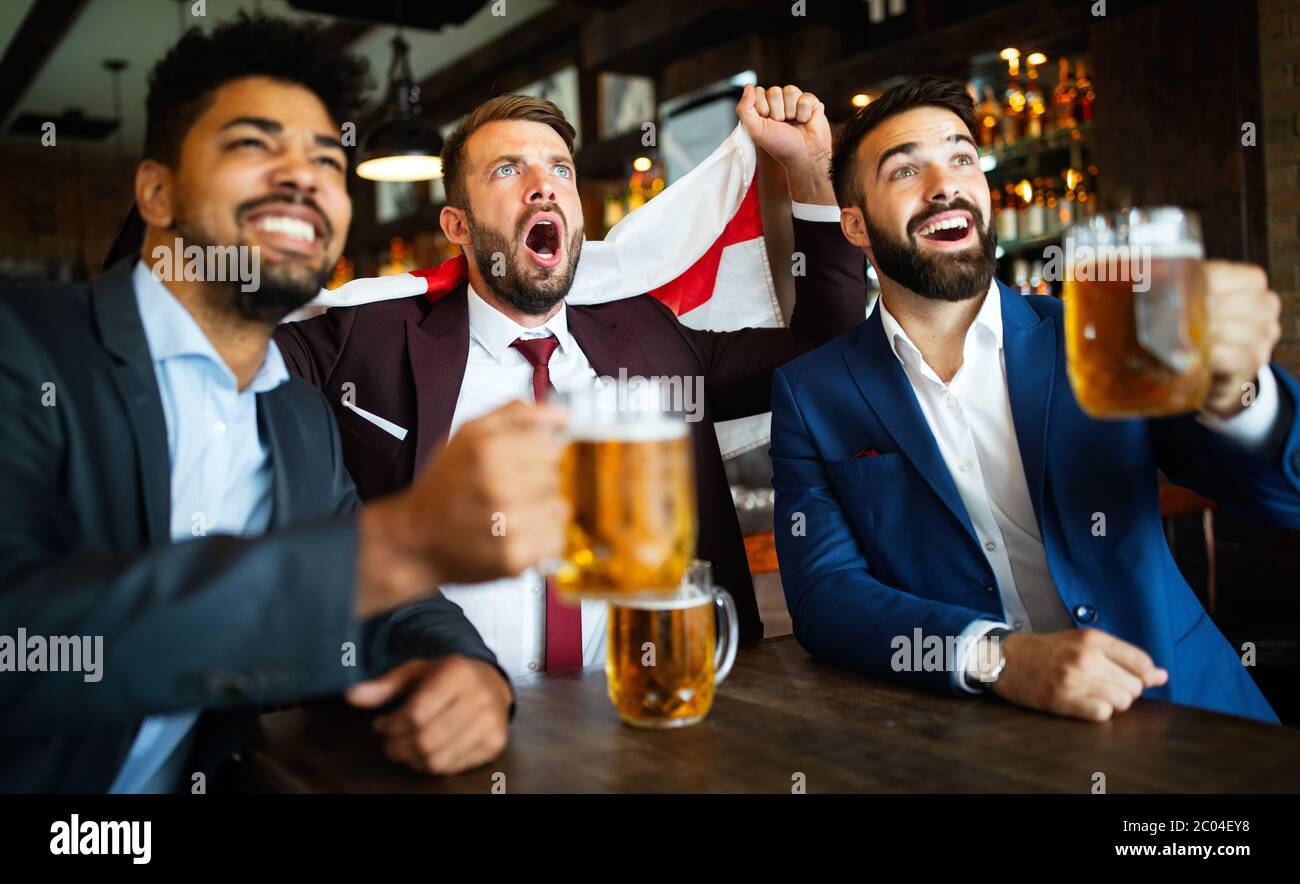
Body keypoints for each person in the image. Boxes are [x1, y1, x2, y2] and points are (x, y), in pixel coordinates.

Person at [0, 13, 569, 792]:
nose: (305, 177)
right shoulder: (21, 348)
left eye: (328, 160)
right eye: (253, 144)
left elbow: (384, 604)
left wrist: (469, 672)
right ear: (157, 191)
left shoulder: (297, 417)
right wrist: (401, 542)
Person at [273, 84, 867, 676]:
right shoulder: (368, 336)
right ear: (456, 224)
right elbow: (234, 356)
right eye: (507, 169)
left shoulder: (650, 337)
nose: (543, 185)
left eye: (560, 168)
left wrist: (811, 170)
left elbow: (820, 354)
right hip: (447, 718)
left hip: (659, 711)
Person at [771, 74, 1300, 723]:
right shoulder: (811, 391)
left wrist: (1241, 395)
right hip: (992, 739)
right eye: (906, 170)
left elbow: (1282, 494)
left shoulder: (1100, 337)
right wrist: (996, 658)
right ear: (855, 223)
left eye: (962, 157)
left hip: (1191, 714)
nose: (945, 183)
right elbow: (827, 596)